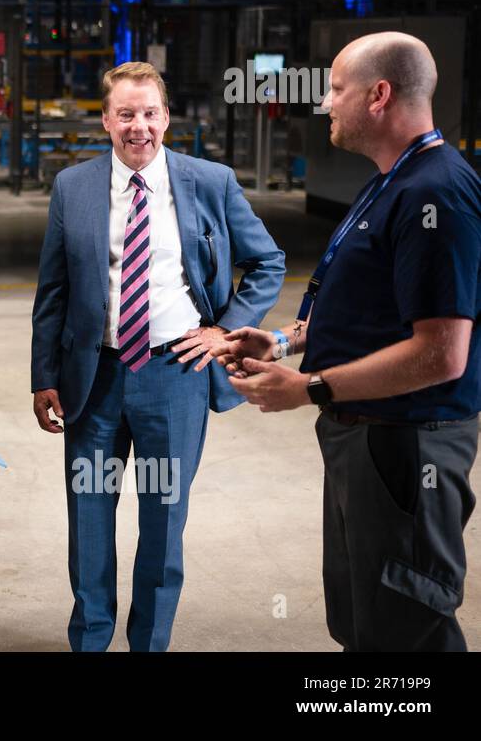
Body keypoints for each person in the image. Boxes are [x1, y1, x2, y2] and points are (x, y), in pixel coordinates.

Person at [208, 32, 480, 652]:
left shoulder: (434, 193)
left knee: (407, 626)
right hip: (367, 439)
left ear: (379, 95)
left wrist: (310, 388)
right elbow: (372, 311)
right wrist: (282, 342)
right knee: (365, 620)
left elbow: (442, 353)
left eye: (336, 90)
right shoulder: (393, 179)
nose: (326, 104)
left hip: (408, 448)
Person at [30, 61, 284, 652]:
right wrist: (45, 376)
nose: (138, 126)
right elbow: (54, 291)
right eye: (126, 114)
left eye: (149, 113)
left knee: (163, 523)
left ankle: (149, 643)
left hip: (176, 377)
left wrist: (227, 330)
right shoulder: (74, 187)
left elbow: (267, 262)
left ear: (166, 118)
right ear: (106, 120)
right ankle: (90, 641)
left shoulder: (210, 182)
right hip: (94, 378)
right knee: (89, 523)